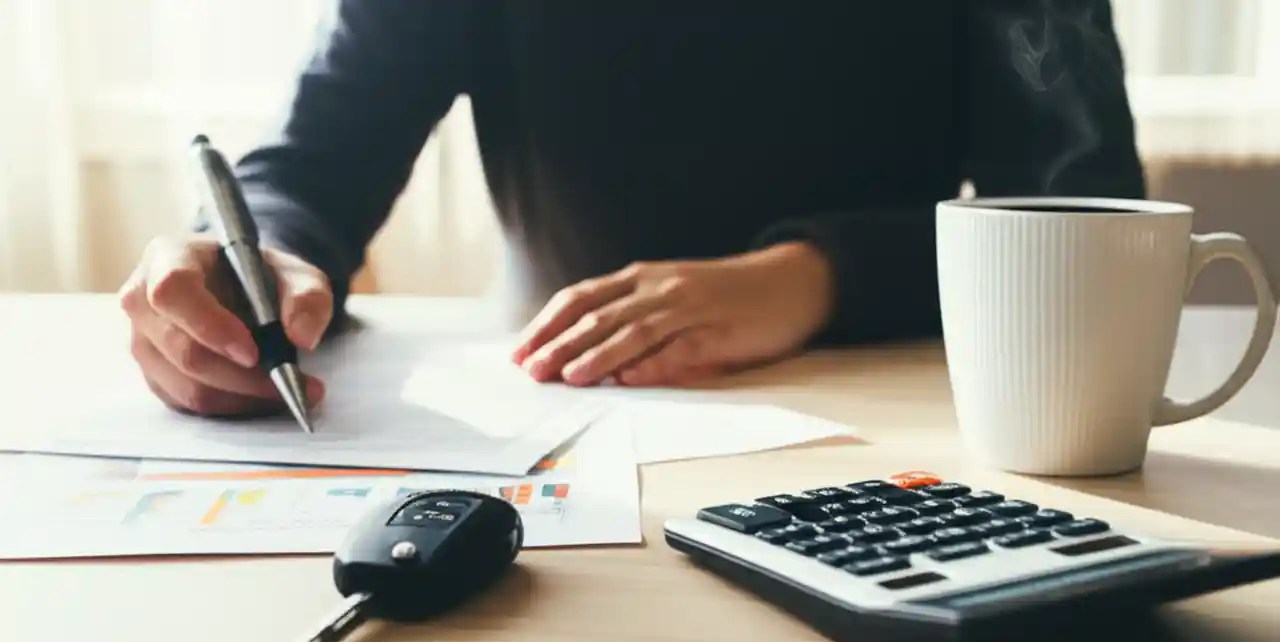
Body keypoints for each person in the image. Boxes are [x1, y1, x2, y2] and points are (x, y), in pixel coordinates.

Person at [118, 1, 1145, 418]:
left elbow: (1093, 220)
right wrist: (251, 258)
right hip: (568, 418)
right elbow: (311, 167)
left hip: (912, 423)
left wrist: (819, 277)